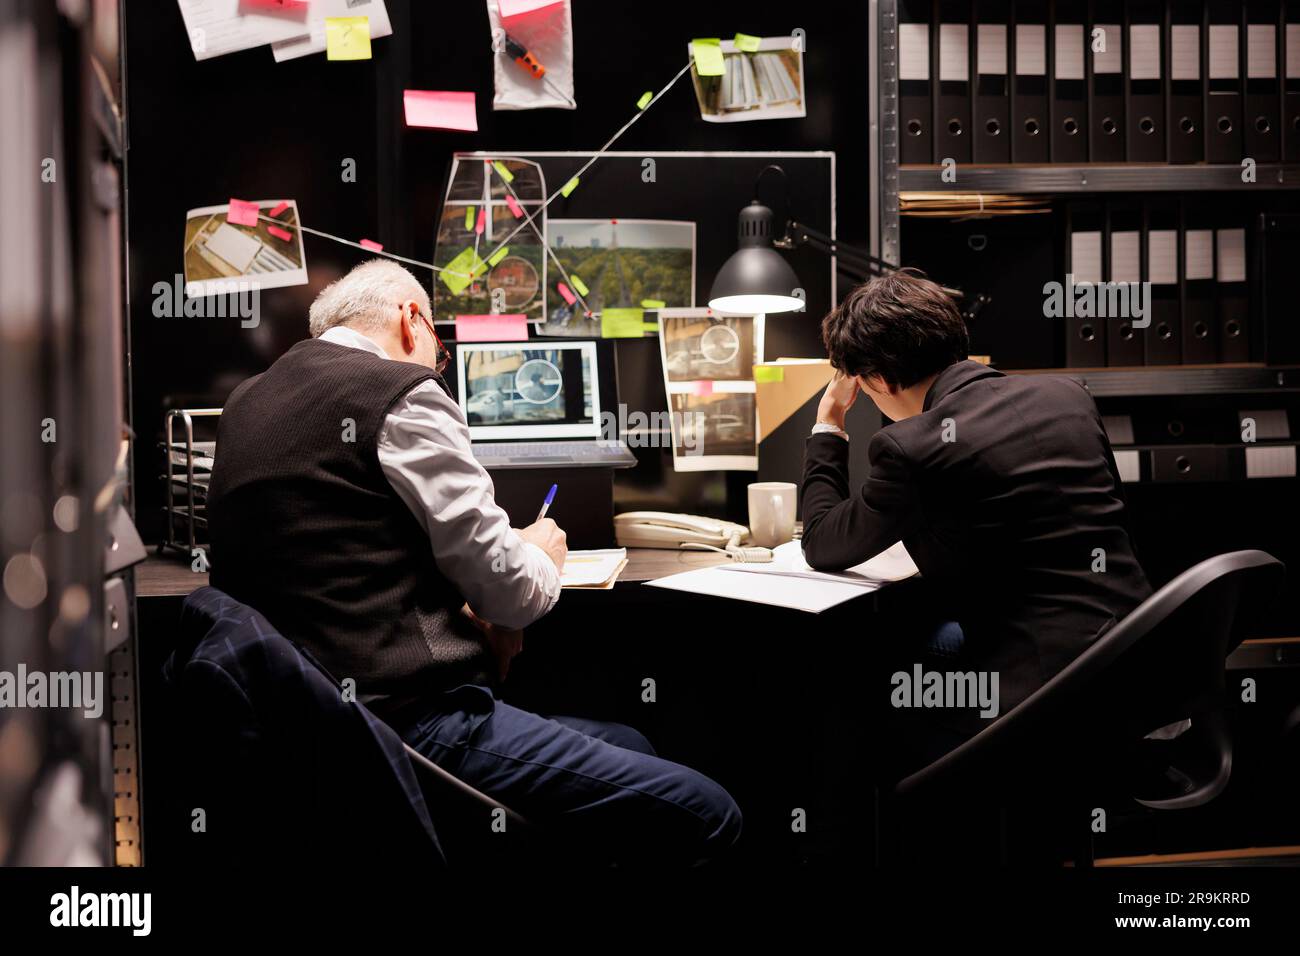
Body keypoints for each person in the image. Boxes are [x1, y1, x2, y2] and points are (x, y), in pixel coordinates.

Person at [206, 259, 740, 865]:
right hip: (411, 731)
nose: (439, 368)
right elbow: (511, 593)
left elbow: (335, 554)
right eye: (439, 348)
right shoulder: (399, 395)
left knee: (633, 742)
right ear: (413, 320)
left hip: (309, 740)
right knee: (708, 812)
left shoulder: (246, 403)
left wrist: (466, 597)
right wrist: (538, 555)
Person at [801, 269, 1152, 772]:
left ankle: (909, 838)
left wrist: (829, 425)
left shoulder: (912, 446)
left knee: (860, 679)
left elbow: (822, 544)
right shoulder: (1068, 397)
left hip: (1049, 698)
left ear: (875, 379)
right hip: (1146, 665)